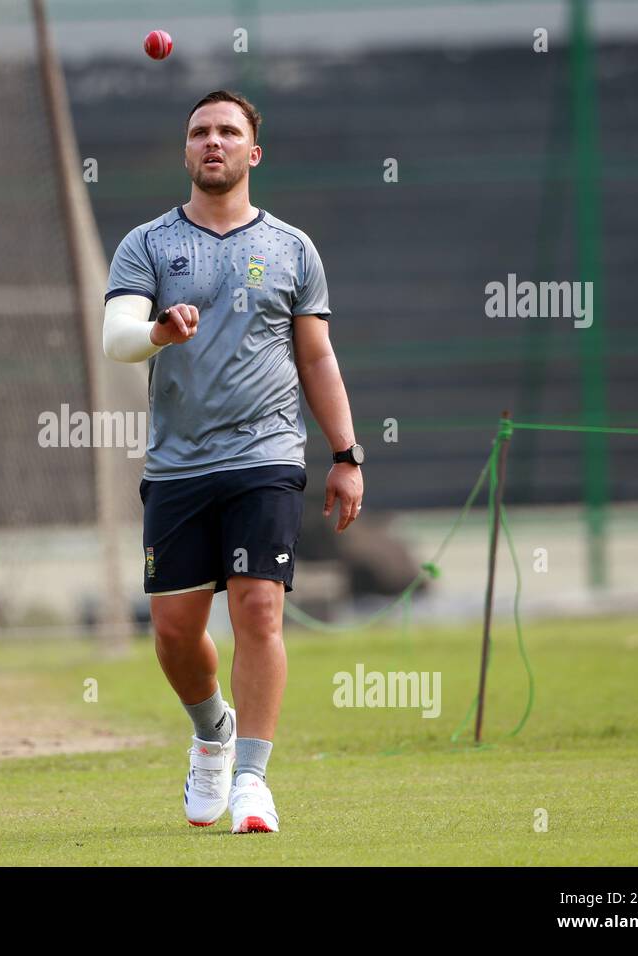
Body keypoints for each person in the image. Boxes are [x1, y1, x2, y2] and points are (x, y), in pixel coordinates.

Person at [102, 90, 364, 833]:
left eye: (227, 132)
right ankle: (212, 731)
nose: (211, 141)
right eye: (199, 132)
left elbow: (316, 356)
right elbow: (116, 337)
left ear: (254, 152)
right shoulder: (147, 245)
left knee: (258, 608)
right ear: (186, 152)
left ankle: (251, 780)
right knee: (176, 633)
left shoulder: (292, 248)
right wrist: (158, 331)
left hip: (267, 453)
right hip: (179, 465)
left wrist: (346, 454)